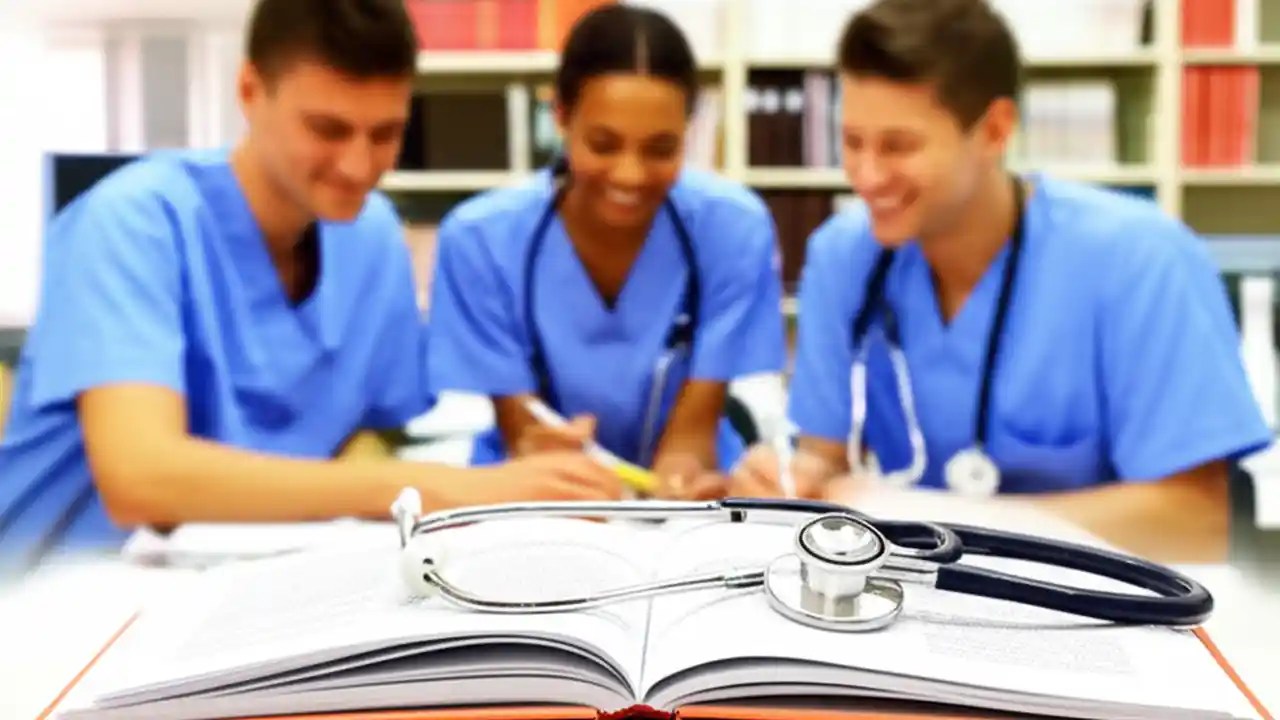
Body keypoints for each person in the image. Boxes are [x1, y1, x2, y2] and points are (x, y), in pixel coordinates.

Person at [0, 0, 621, 576]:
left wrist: (514, 466)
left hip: (232, 590)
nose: (358, 165)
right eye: (327, 129)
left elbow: (361, 441)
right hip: (59, 597)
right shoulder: (132, 219)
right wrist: (424, 487)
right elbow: (141, 478)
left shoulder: (372, 237)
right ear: (249, 91)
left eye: (384, 134)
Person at [729, 0, 1272, 560]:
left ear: (994, 130)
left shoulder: (1140, 259)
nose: (866, 176)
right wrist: (789, 478)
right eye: (851, 141)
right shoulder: (843, 256)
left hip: (1097, 608)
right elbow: (829, 460)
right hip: (905, 595)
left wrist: (934, 515)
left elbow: (1194, 522)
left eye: (898, 146)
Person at [424, 4, 788, 499]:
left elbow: (693, 435)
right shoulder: (481, 240)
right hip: (536, 493)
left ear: (690, 131)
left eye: (661, 148)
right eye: (603, 144)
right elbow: (521, 430)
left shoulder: (733, 230)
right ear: (560, 117)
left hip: (684, 494)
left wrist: (677, 486)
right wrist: (542, 452)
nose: (630, 175)